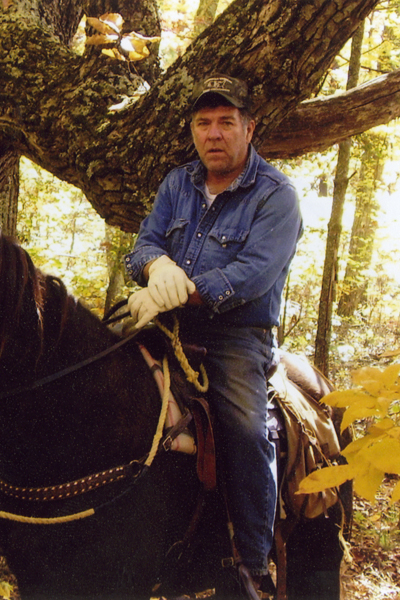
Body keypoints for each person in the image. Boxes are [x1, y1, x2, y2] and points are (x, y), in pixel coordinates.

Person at [123, 74, 302, 598]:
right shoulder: (177, 183)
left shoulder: (277, 195)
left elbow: (255, 272)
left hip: (236, 338)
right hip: (166, 321)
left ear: (249, 128)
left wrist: (189, 291)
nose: (214, 133)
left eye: (226, 122)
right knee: (85, 366)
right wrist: (155, 267)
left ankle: (251, 561)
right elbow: (144, 244)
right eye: (204, 123)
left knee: (247, 430)